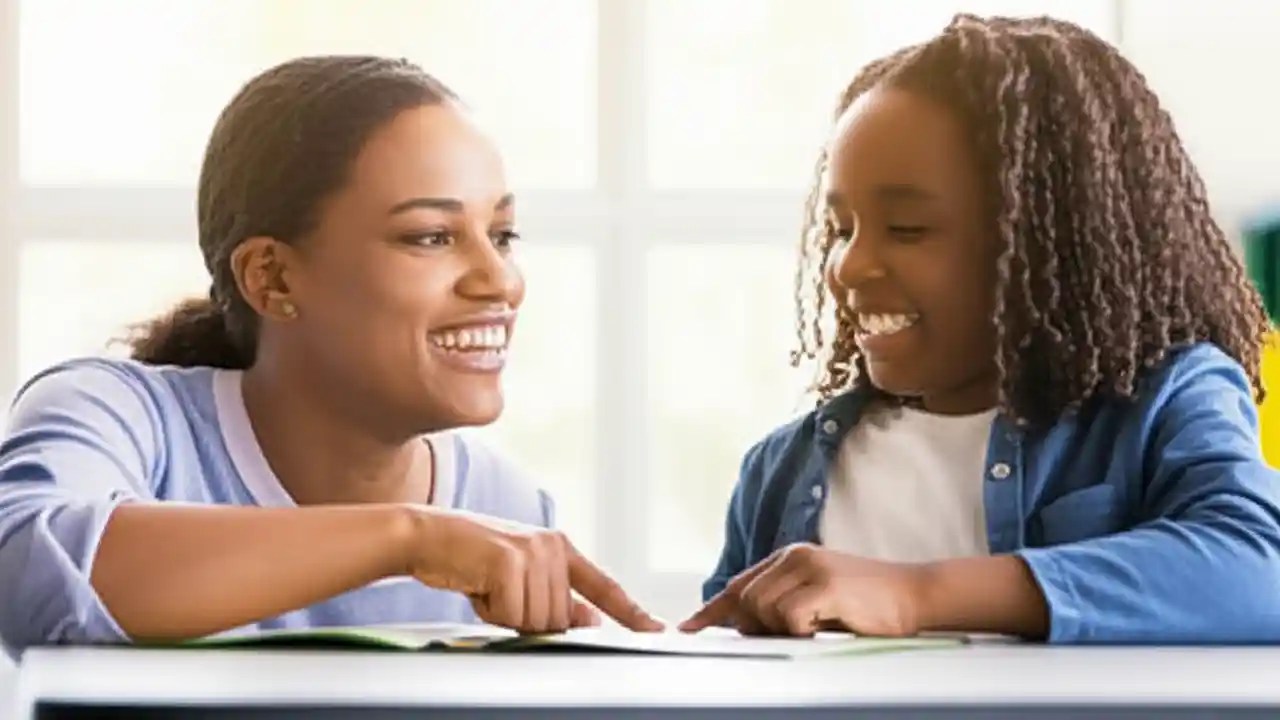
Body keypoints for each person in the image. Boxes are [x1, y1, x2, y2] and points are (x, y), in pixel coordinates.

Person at [0, 55, 660, 658]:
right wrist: (412, 540)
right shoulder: (119, 416)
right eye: (431, 236)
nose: (501, 282)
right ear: (273, 278)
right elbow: (28, 573)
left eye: (502, 235)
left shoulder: (506, 506)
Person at [681, 15, 1280, 643]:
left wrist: (916, 594)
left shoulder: (1162, 402)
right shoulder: (778, 472)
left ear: (1051, 246)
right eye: (841, 229)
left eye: (907, 228)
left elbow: (1259, 567)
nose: (850, 264)